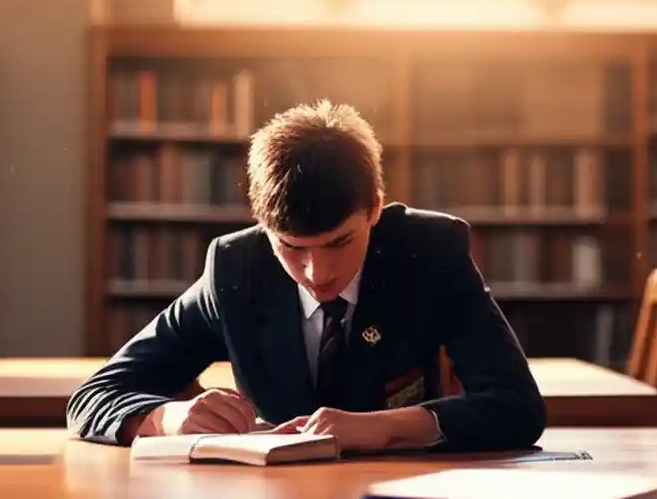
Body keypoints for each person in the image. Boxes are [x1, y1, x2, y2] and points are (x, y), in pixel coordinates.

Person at [67, 100, 546, 452]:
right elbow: (92, 398)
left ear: (375, 209)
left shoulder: (431, 251)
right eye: (291, 248)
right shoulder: (236, 267)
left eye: (339, 242)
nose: (317, 273)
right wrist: (168, 418)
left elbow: (518, 406)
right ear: (262, 225)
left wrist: (384, 426)